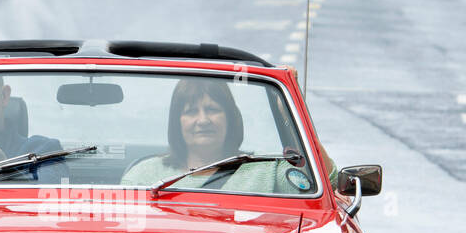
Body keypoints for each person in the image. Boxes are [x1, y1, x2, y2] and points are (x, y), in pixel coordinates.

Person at [119, 79, 331, 193]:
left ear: (230, 118)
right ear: (177, 123)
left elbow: (328, 184)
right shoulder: (142, 177)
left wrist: (294, 112)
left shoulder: (267, 171)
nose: (203, 120)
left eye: (212, 109)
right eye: (191, 111)